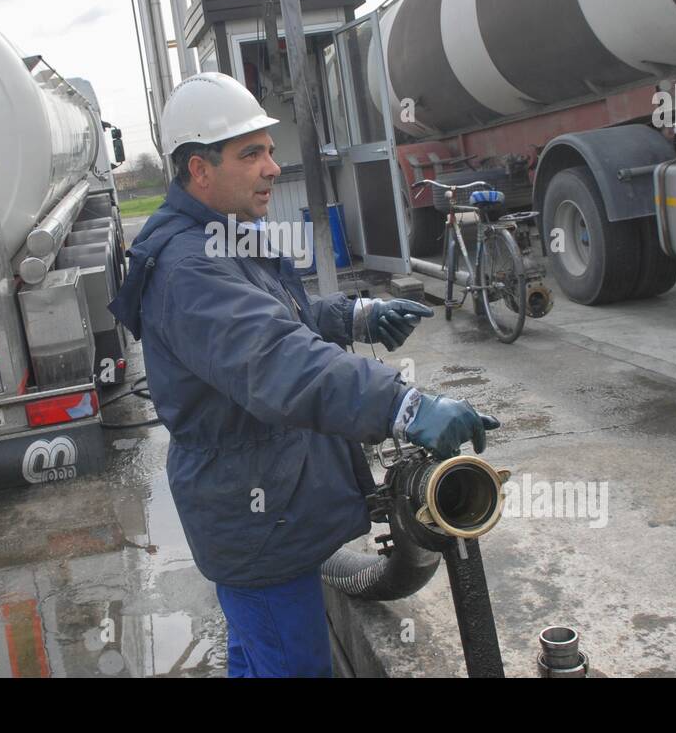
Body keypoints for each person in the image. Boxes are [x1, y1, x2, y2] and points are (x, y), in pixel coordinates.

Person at [109, 71, 499, 678]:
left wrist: (358, 315)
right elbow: (275, 359)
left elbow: (282, 317)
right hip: (257, 522)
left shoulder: (221, 237)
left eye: (268, 149)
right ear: (197, 170)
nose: (272, 167)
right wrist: (406, 407)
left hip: (265, 509)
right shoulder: (188, 268)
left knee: (261, 655)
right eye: (251, 153)